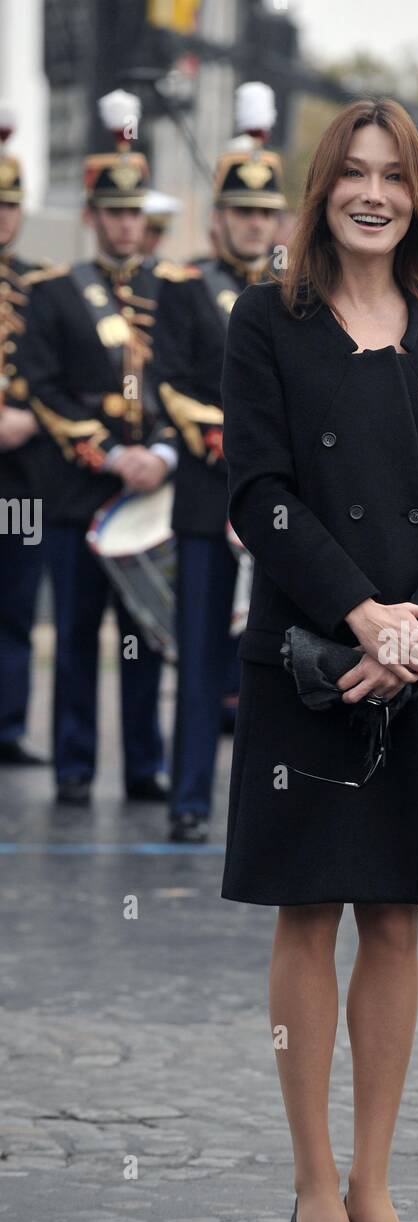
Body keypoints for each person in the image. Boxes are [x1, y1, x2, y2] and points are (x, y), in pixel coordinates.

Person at [220, 97, 418, 1222]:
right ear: (323, 186)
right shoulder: (266, 318)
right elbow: (260, 491)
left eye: (395, 174)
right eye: (355, 172)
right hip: (309, 654)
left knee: (396, 916)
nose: (375, 193)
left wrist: (414, 629)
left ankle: (374, 1182)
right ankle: (309, 1183)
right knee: (311, 913)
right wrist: (360, 617)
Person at [26, 90, 179, 806]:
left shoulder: (174, 291)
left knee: (148, 634)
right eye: (113, 213)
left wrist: (162, 454)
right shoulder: (55, 293)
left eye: (134, 213)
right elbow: (42, 386)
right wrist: (108, 451)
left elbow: (187, 385)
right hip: (79, 491)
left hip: (157, 491)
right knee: (80, 637)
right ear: (92, 217)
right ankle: (75, 766)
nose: (125, 225)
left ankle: (145, 765)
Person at [154, 82, 286, 844]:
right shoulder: (181, 288)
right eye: (242, 211)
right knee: (201, 657)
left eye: (266, 213)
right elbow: (168, 381)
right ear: (218, 218)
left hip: (280, 511)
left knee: (272, 664)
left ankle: (267, 805)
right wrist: (234, 441)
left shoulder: (296, 295)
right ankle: (190, 800)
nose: (253, 224)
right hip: (209, 501)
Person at [0, 112, 47, 766]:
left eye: (10, 206)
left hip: (23, 473)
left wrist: (30, 415)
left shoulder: (43, 286)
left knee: (14, 606)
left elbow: (62, 373)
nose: (2, 217)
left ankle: (6, 727)